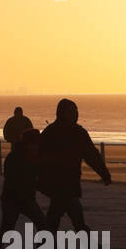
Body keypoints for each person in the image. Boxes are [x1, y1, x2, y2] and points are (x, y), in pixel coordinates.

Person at [38, 98, 110, 231]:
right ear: (64, 113)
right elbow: (92, 156)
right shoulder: (77, 132)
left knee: (57, 219)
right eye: (73, 111)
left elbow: (38, 157)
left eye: (76, 111)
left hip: (57, 184)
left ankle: (44, 247)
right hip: (66, 183)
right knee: (71, 220)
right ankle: (90, 247)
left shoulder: (49, 131)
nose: (76, 114)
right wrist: (104, 173)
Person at [0, 128, 50, 249]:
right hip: (13, 198)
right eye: (34, 144)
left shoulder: (33, 157)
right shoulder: (15, 157)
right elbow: (14, 179)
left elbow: (38, 178)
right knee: (7, 228)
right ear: (27, 143)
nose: (36, 147)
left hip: (25, 198)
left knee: (42, 225)